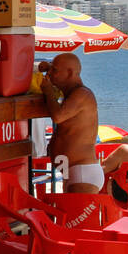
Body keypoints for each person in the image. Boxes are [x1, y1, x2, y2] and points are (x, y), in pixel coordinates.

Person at [37, 53, 101, 193]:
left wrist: (48, 91)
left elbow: (58, 117)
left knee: (72, 215)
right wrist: (47, 67)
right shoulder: (71, 94)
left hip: (82, 173)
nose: (50, 73)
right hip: (72, 171)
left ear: (70, 73)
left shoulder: (82, 94)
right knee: (68, 215)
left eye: (54, 70)